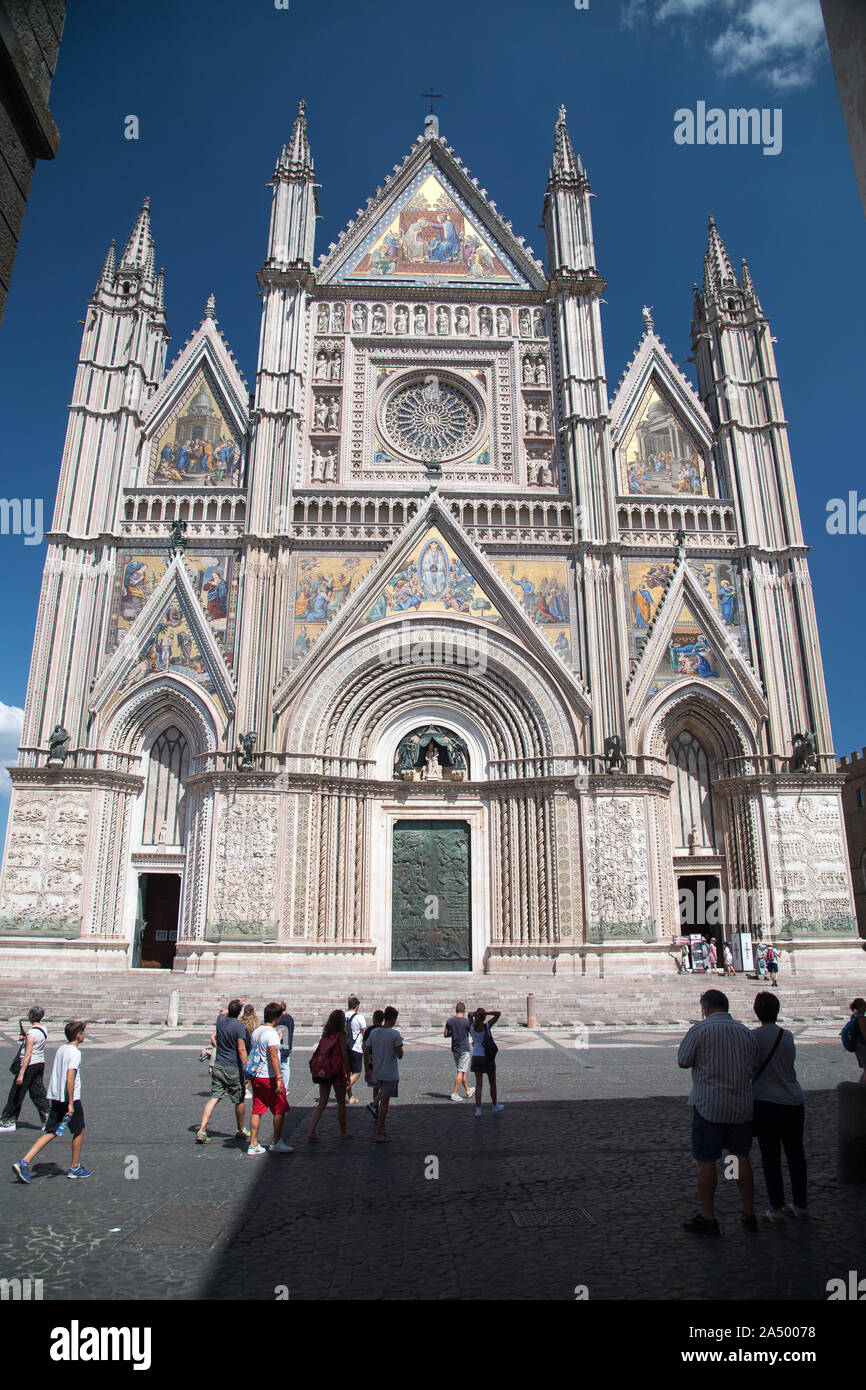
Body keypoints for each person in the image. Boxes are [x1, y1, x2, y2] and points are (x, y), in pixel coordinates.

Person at [677, 989, 758, 1234]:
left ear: (706, 1008)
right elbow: (754, 1062)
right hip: (741, 1107)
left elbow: (683, 1060)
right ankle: (748, 1212)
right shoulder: (745, 1032)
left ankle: (709, 1217)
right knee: (739, 1157)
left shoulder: (700, 1030)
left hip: (709, 1107)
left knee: (707, 1160)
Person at [751, 992, 808, 1222]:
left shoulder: (753, 1037)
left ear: (757, 1012)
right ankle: (801, 1205)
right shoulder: (788, 1036)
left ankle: (776, 1208)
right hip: (794, 1100)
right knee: (796, 1154)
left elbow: (752, 1066)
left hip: (766, 1103)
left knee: (771, 1156)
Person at [13, 1021, 89, 1182]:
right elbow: (70, 1077)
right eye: (83, 1032)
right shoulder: (75, 1053)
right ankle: (75, 1167)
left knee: (51, 1131)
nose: (84, 1035)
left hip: (56, 1097)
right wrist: (70, 1103)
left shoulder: (61, 1049)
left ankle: (24, 1161)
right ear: (78, 1035)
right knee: (79, 1130)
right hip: (70, 1098)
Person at [196, 998, 249, 1144]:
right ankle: (240, 1129)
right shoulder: (239, 1026)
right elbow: (241, 1049)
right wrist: (247, 1069)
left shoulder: (220, 1020)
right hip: (233, 1067)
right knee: (239, 1099)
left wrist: (235, 1003)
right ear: (239, 1012)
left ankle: (201, 1130)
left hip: (218, 1065)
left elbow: (223, 1012)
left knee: (214, 1097)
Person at [246, 1002, 292, 1156]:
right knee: (280, 1108)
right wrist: (279, 1078)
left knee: (257, 1109)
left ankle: (253, 1144)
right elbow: (273, 1055)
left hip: (257, 1076)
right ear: (277, 1018)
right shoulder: (271, 1033)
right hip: (269, 1077)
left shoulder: (257, 1031)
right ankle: (276, 1141)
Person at [0, 1006, 49, 1131]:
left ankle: (8, 1121)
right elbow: (35, 1043)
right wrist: (25, 1039)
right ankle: (48, 1118)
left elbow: (28, 1055)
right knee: (37, 1092)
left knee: (16, 1093)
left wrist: (21, 1073)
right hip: (39, 1063)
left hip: (29, 1066)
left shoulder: (31, 1033)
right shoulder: (43, 1029)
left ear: (31, 1016)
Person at [308, 1009, 353, 1142]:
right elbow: (344, 1054)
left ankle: (311, 1130)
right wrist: (348, 1071)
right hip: (337, 1070)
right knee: (341, 1102)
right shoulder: (341, 1036)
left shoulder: (325, 1035)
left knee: (322, 1101)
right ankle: (343, 1130)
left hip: (324, 1070)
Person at [366, 1006, 403, 1143]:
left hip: (377, 1071)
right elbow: (400, 1055)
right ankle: (379, 1133)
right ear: (392, 1018)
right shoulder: (394, 1035)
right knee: (385, 1105)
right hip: (390, 1072)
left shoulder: (374, 1032)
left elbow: (366, 1048)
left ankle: (374, 1104)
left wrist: (367, 1069)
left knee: (382, 1095)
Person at [469, 1008, 504, 1116]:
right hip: (487, 1057)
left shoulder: (471, 1027)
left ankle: (478, 1109)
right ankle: (494, 1105)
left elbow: (469, 1015)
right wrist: (487, 1013)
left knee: (478, 1085)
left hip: (475, 1056)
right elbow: (498, 1014)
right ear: (484, 1017)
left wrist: (473, 1014)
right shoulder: (486, 1026)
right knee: (492, 1083)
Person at [443, 1002, 475, 1102]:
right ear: (464, 1010)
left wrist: (454, 1033)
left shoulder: (450, 1021)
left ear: (456, 1010)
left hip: (455, 1049)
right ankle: (454, 1093)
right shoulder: (466, 1022)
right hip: (464, 1049)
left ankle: (468, 1091)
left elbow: (445, 1034)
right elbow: (472, 1033)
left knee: (461, 1070)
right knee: (461, 1071)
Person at [345, 995, 366, 1105]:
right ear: (356, 1006)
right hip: (356, 1048)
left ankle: (351, 1097)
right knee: (357, 1073)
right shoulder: (359, 1017)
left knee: (348, 1074)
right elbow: (364, 1033)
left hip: (344, 1048)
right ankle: (344, 1088)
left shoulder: (343, 1016)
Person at [363, 1010, 384, 1117]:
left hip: (372, 1061)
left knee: (376, 1087)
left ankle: (376, 1107)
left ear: (374, 1018)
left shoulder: (369, 1031)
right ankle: (377, 1107)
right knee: (385, 1085)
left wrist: (366, 1069)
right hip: (383, 1061)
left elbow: (364, 1047)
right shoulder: (385, 1030)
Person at [276, 999, 294, 1096]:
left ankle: (281, 1087)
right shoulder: (289, 1017)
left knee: (279, 1067)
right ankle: (285, 1087)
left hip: (281, 1045)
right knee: (285, 1067)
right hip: (288, 1045)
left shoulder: (281, 1019)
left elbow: (280, 1033)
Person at [241, 1004, 258, 1101]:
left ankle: (242, 1087)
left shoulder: (241, 1021)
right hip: (251, 1047)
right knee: (250, 1068)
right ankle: (246, 1088)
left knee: (242, 1066)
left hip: (242, 1044)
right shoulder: (255, 1022)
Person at [848, 998, 866, 1082]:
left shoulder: (854, 1015)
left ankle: (860, 1087)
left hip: (857, 1045)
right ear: (861, 1006)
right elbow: (864, 1034)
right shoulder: (861, 1018)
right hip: (862, 1046)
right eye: (864, 1004)